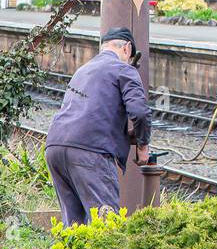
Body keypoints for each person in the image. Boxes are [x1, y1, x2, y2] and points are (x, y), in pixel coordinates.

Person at [45, 26, 152, 226]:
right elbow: (139, 111)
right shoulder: (124, 69)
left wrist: (126, 137)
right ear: (127, 49)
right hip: (90, 153)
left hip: (55, 148)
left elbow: (90, 116)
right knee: (106, 224)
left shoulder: (83, 70)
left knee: (75, 226)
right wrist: (143, 147)